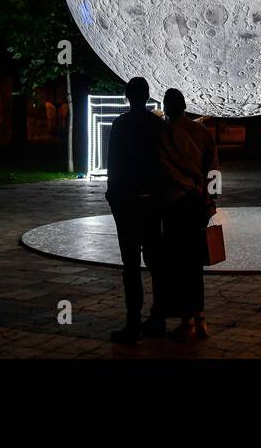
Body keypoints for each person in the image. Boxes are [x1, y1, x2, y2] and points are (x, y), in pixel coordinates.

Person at [155, 87, 218, 341]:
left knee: (179, 264)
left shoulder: (163, 134)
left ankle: (187, 321)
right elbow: (214, 170)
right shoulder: (201, 132)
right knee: (195, 263)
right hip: (198, 204)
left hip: (175, 205)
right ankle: (201, 318)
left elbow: (161, 168)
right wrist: (212, 200)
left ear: (167, 108)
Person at [105, 77, 164, 343]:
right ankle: (158, 318)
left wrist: (113, 194)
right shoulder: (157, 125)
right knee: (156, 263)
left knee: (130, 264)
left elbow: (113, 162)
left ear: (128, 96)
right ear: (148, 95)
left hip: (127, 200)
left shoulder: (120, 124)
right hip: (152, 200)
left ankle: (133, 322)